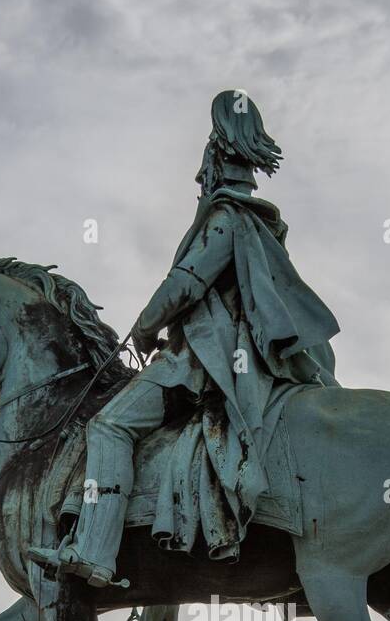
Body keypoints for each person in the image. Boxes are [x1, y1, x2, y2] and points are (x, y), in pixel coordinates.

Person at [28, 89, 340, 587]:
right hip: (240, 364)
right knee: (165, 450)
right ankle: (158, 617)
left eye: (203, 166)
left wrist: (147, 326)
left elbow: (185, 285)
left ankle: (93, 551)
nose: (198, 177)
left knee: (109, 426)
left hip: (201, 365)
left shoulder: (225, 220)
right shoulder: (256, 226)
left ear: (215, 161)